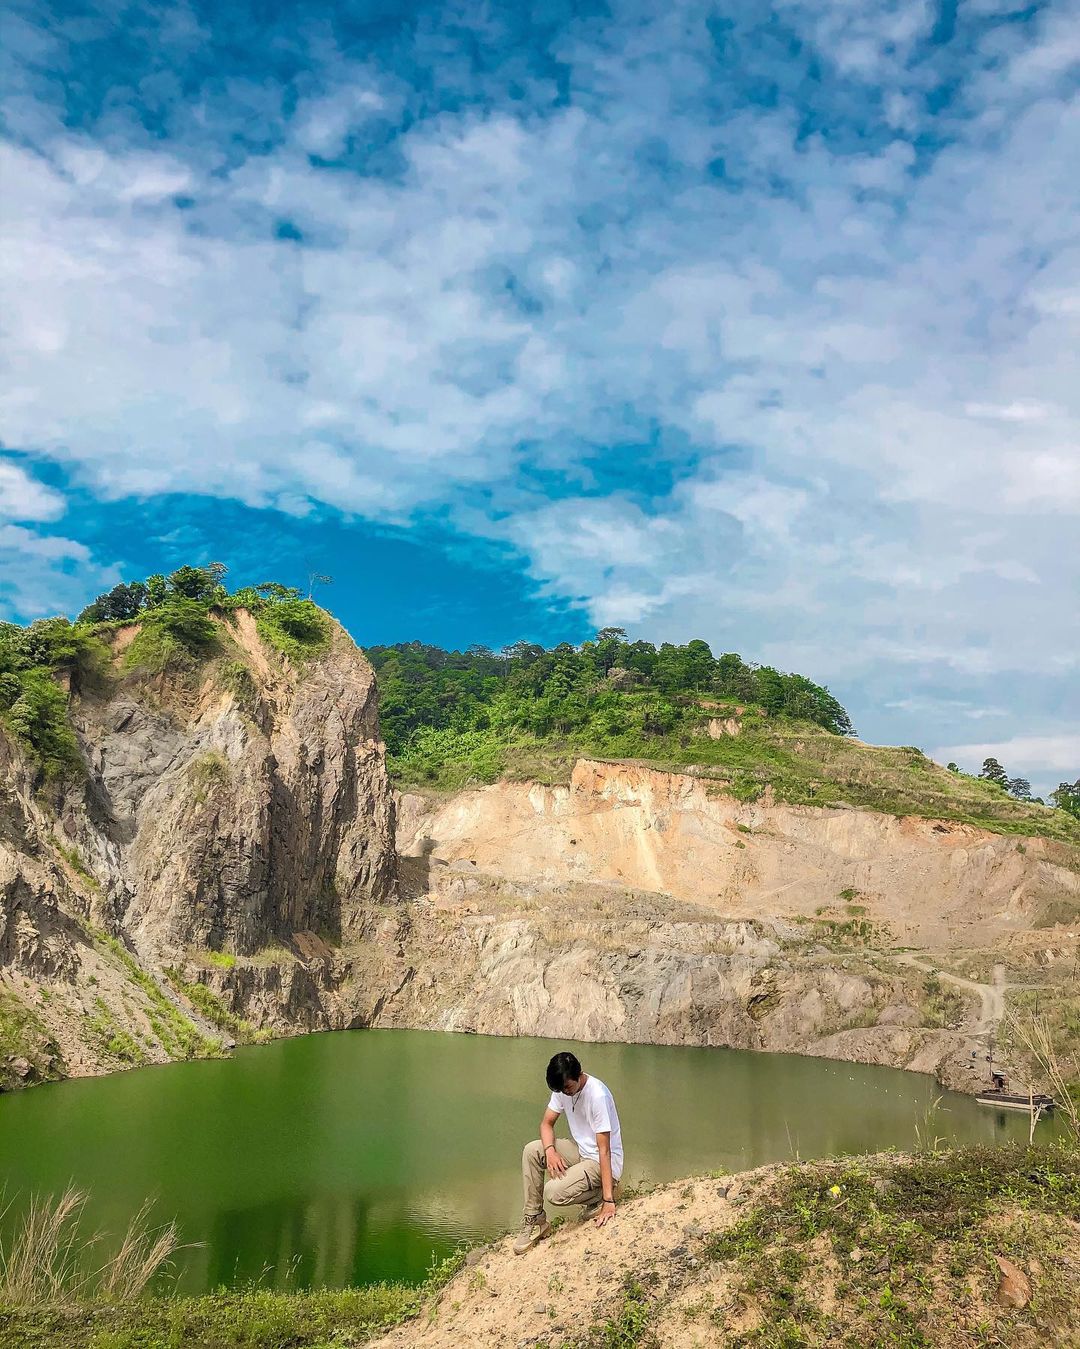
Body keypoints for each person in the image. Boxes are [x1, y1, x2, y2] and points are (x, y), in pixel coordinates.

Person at [514, 1051, 623, 1255]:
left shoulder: (597, 1095)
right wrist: (550, 1151)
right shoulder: (563, 1089)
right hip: (582, 1152)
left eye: (568, 1088)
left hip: (601, 1162)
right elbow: (546, 1124)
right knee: (532, 1150)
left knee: (553, 1192)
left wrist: (609, 1202)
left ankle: (604, 1194)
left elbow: (604, 1150)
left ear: (578, 1074)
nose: (565, 1093)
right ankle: (535, 1218)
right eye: (561, 1090)